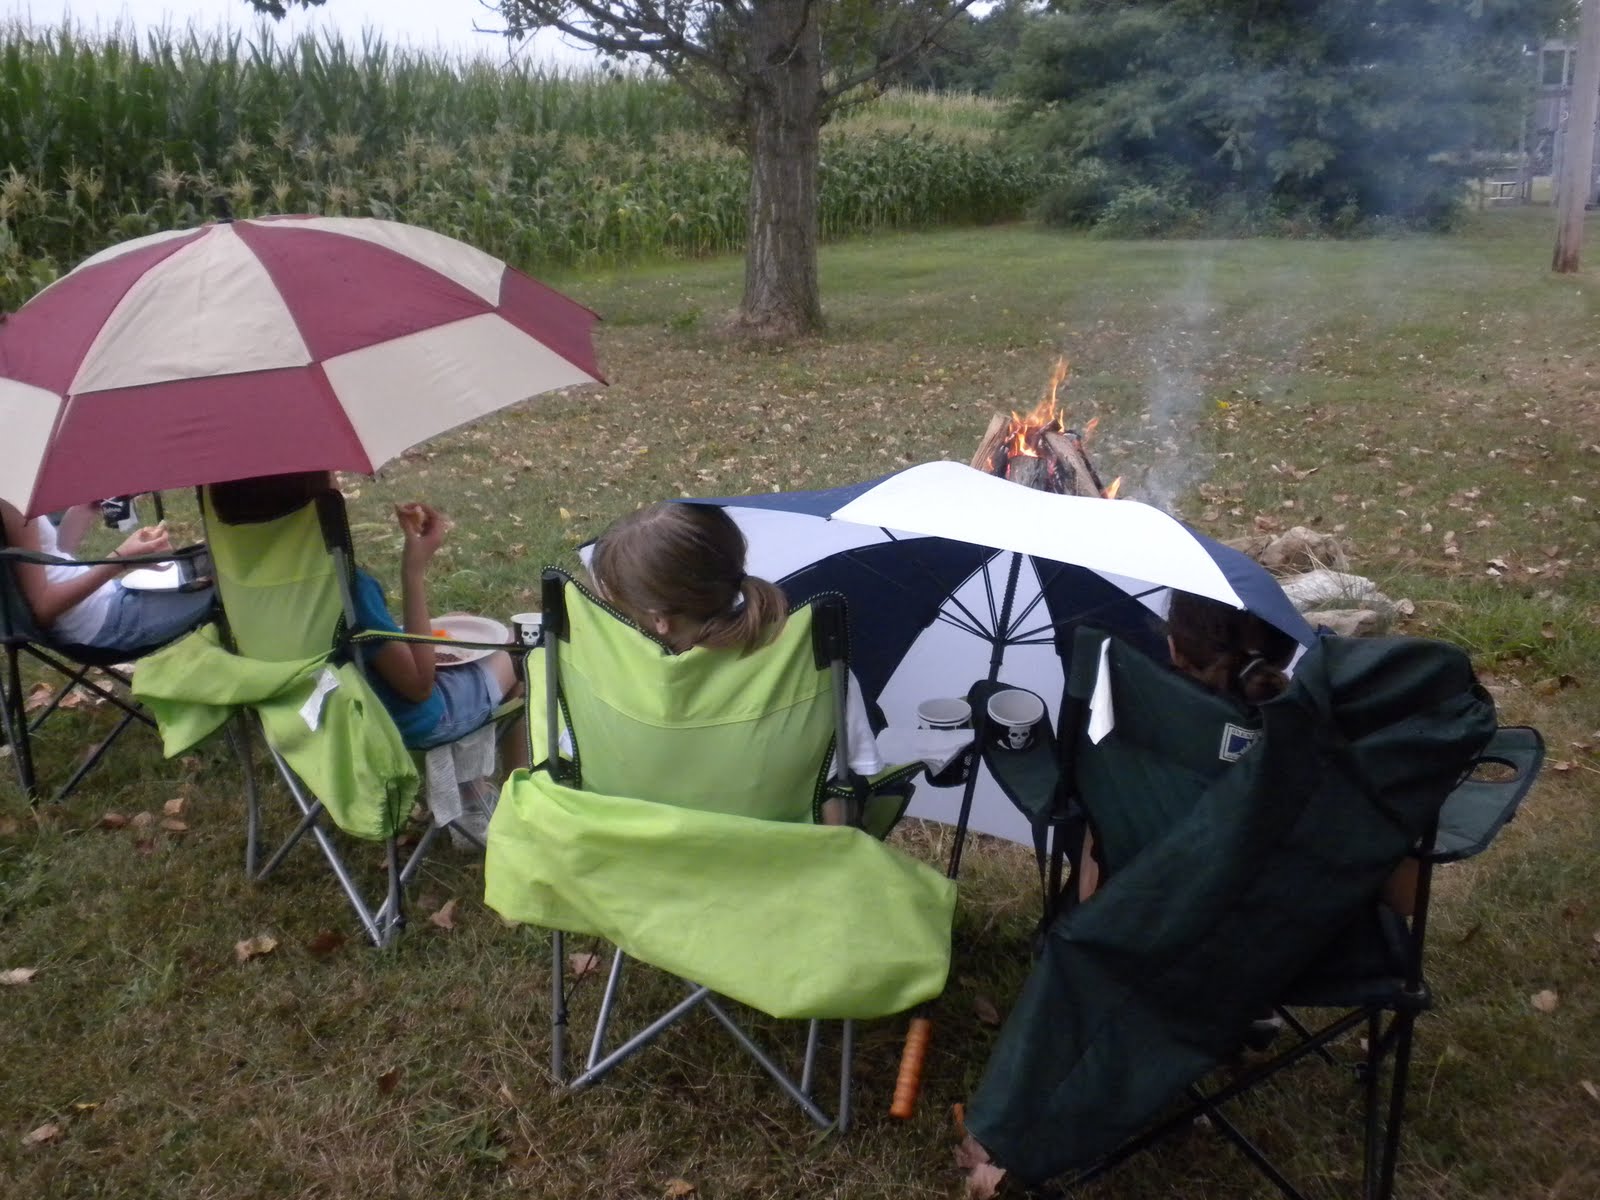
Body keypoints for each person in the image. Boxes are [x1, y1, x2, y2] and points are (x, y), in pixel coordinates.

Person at [587, 501, 884, 817]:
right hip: (781, 861)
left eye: (621, 609)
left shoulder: (611, 686)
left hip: (633, 860)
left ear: (659, 618)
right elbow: (839, 794)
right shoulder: (814, 669)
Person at [206, 473, 521, 754]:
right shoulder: (343, 589)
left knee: (460, 620)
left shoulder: (238, 582)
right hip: (395, 724)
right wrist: (413, 570)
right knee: (518, 648)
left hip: (307, 718)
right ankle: (514, 800)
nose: (337, 482)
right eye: (328, 475)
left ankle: (470, 793)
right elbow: (420, 687)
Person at [1, 498, 214, 653]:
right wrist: (121, 560)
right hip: (104, 627)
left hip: (108, 601)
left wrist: (84, 506)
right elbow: (42, 610)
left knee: (208, 564)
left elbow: (54, 556)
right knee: (223, 578)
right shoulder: (9, 501)